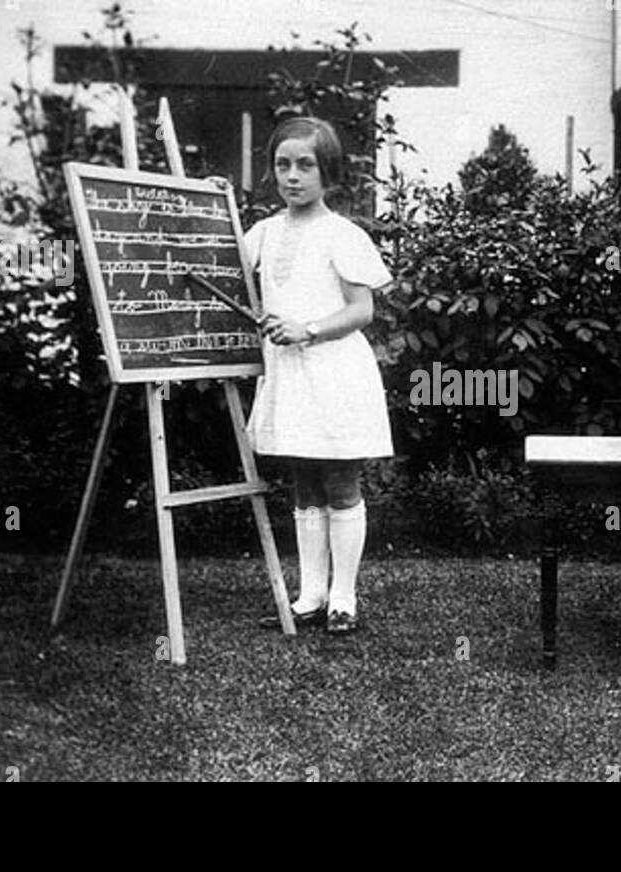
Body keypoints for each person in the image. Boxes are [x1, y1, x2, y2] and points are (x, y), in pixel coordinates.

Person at [248, 116, 394, 636]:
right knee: (303, 481)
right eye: (282, 165)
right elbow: (228, 269)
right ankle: (309, 595)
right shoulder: (263, 233)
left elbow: (362, 311)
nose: (292, 176)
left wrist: (307, 328)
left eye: (305, 165)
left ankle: (343, 598)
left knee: (339, 479)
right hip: (289, 373)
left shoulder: (342, 234)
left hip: (334, 373)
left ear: (326, 172)